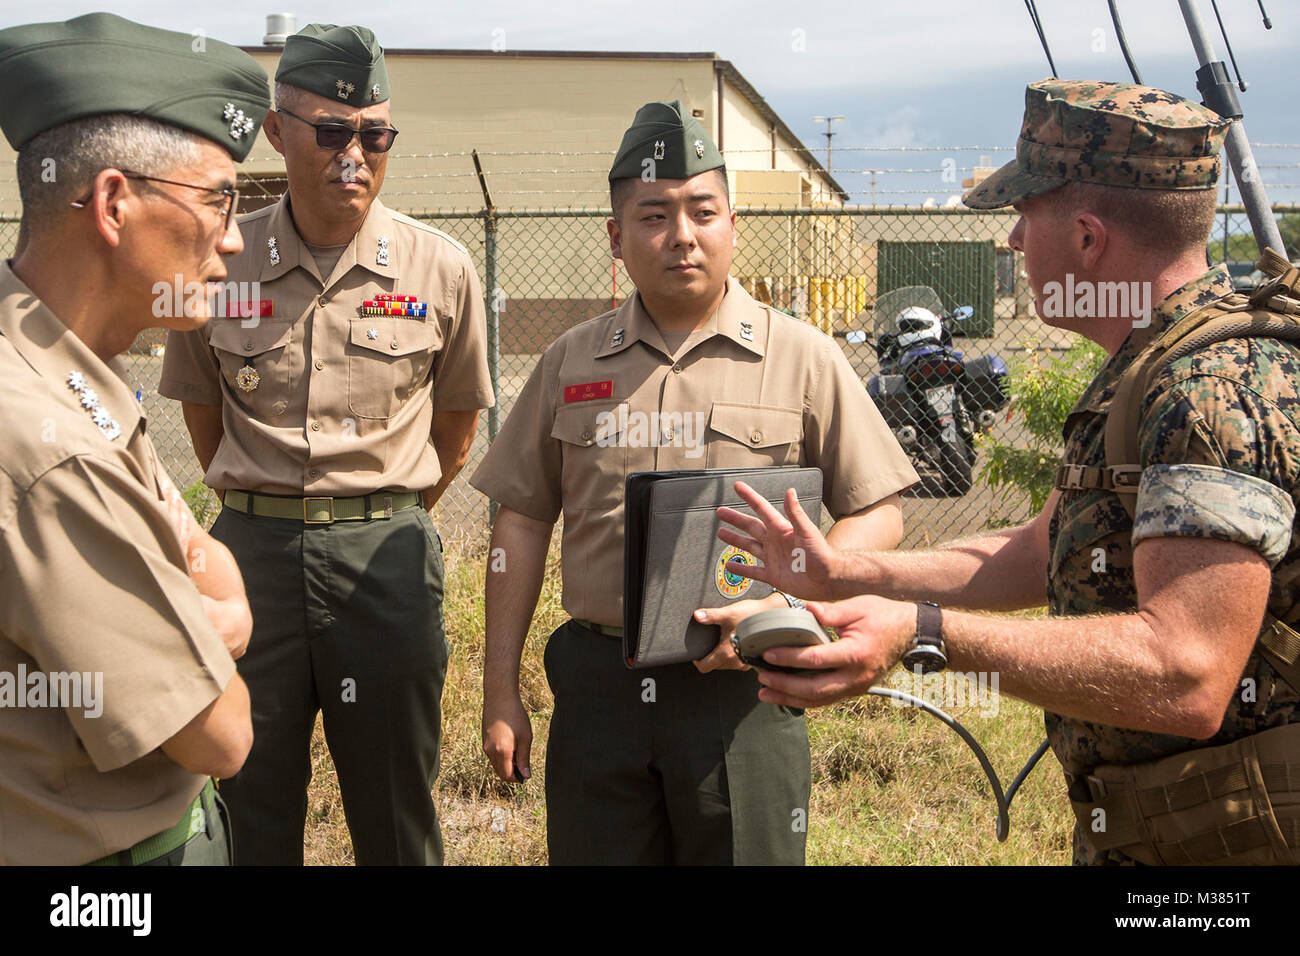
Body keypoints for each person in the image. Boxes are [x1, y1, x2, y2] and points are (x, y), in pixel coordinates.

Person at [717, 79, 1300, 866]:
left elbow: (1185, 673)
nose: (1016, 244)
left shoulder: (1205, 391)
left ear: (1089, 240)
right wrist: (845, 572)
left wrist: (924, 636)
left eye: (1026, 215)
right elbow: (1037, 549)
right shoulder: (1147, 367)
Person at [471, 100, 917, 865]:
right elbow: (519, 524)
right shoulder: (569, 364)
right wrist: (500, 689)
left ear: (733, 226)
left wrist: (784, 607)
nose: (682, 235)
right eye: (654, 216)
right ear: (616, 237)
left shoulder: (801, 357)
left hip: (742, 691)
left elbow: (878, 511)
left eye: (702, 212)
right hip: (600, 688)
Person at [159, 23, 494, 866]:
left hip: (384, 560)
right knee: (249, 797)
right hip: (252, 559)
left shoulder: (438, 269)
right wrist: (266, 502)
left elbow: (455, 428)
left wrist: (380, 511)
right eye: (333, 131)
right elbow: (205, 416)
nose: (356, 154)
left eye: (375, 134)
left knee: (396, 808)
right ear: (277, 131)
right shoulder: (220, 265)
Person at [0, 12, 270, 865]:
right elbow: (219, 734)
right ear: (115, 203)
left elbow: (209, 565)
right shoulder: (44, 440)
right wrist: (210, 623)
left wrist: (194, 616)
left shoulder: (62, 368)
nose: (233, 238)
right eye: (218, 198)